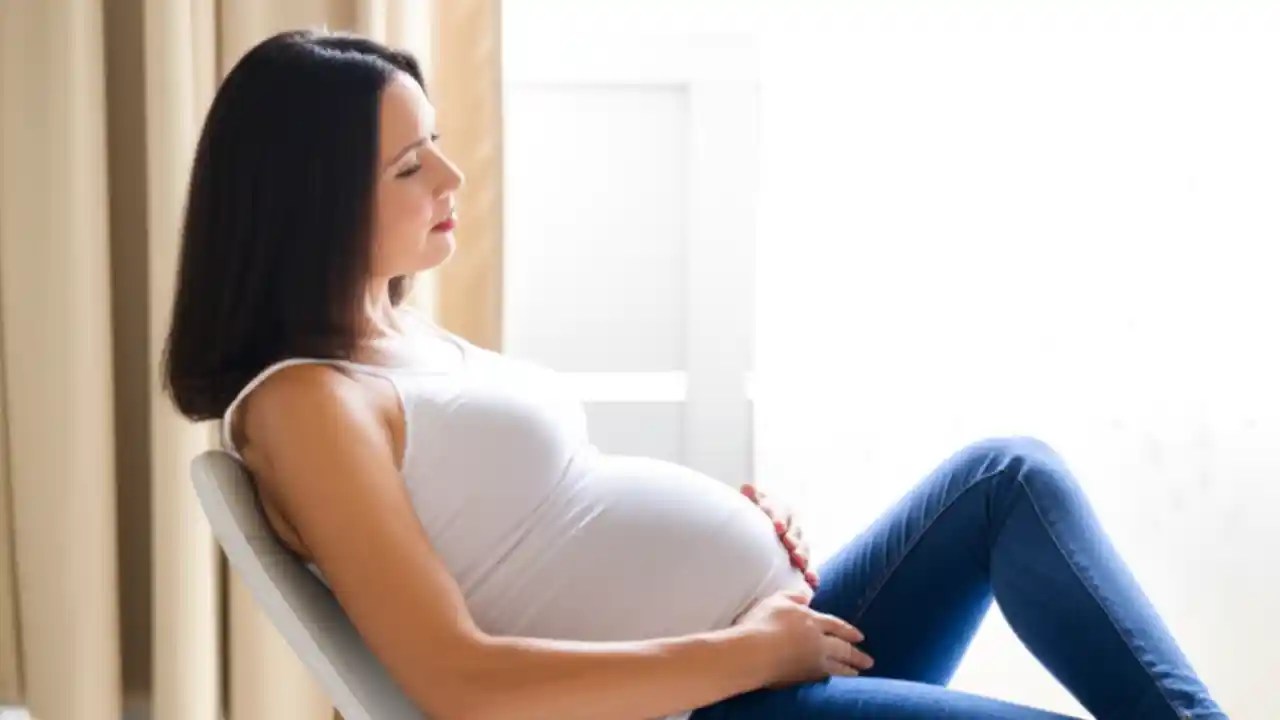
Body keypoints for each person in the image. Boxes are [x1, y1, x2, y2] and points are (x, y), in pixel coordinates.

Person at [163, 30, 1225, 720]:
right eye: (409, 165)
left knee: (1004, 478)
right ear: (309, 203)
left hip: (760, 656)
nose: (450, 174)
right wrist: (746, 651)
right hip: (712, 702)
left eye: (436, 142)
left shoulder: (397, 338)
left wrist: (737, 551)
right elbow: (457, 680)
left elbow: (549, 535)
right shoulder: (306, 404)